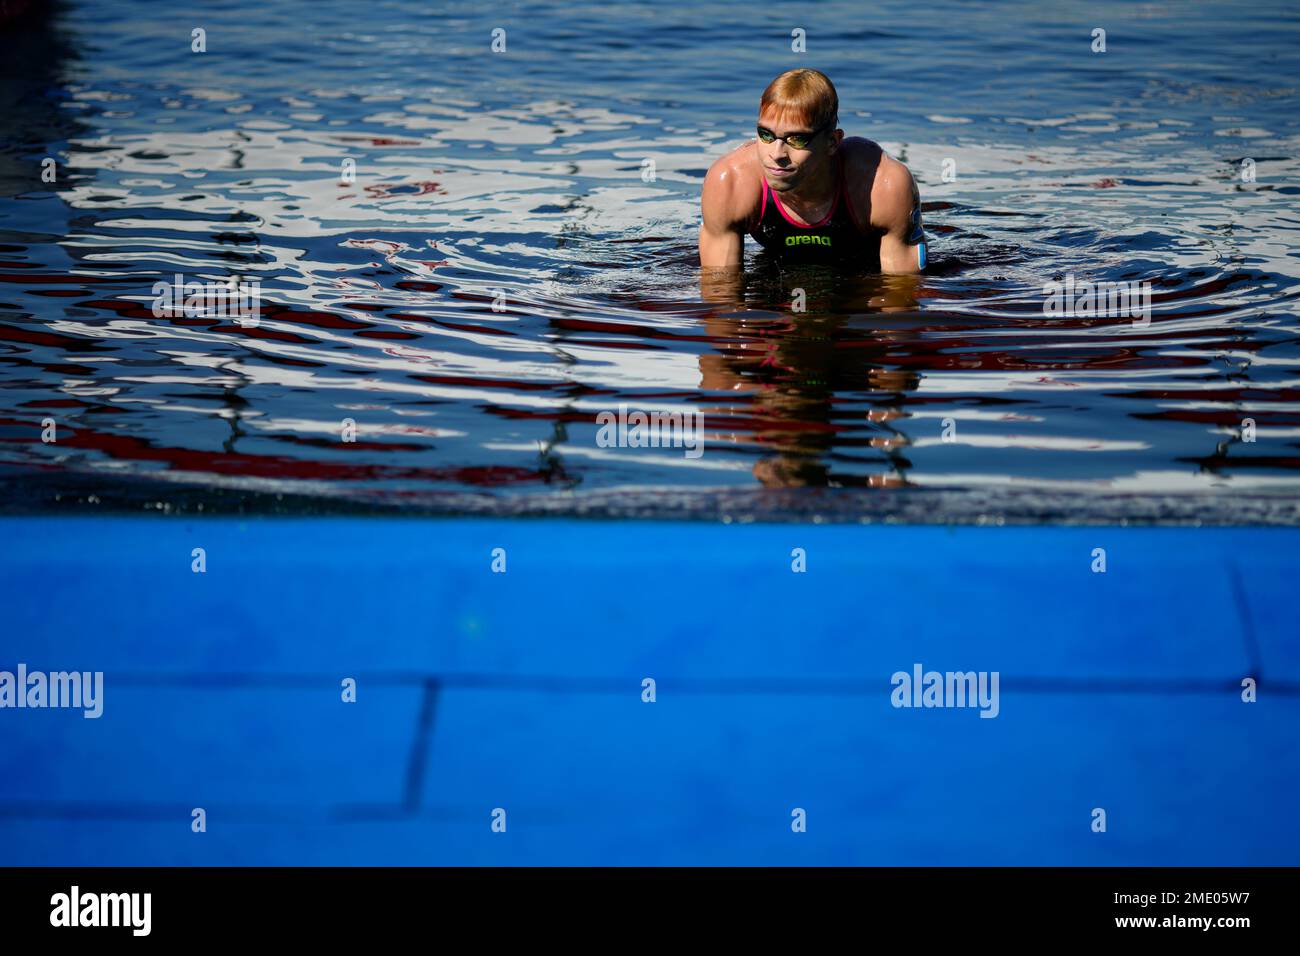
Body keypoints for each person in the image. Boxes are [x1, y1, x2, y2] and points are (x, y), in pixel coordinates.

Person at [698, 68, 926, 275]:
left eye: (796, 139)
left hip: (861, 270)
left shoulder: (882, 185)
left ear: (832, 142)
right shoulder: (731, 182)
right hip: (776, 270)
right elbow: (721, 297)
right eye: (766, 135)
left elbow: (900, 297)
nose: (776, 154)